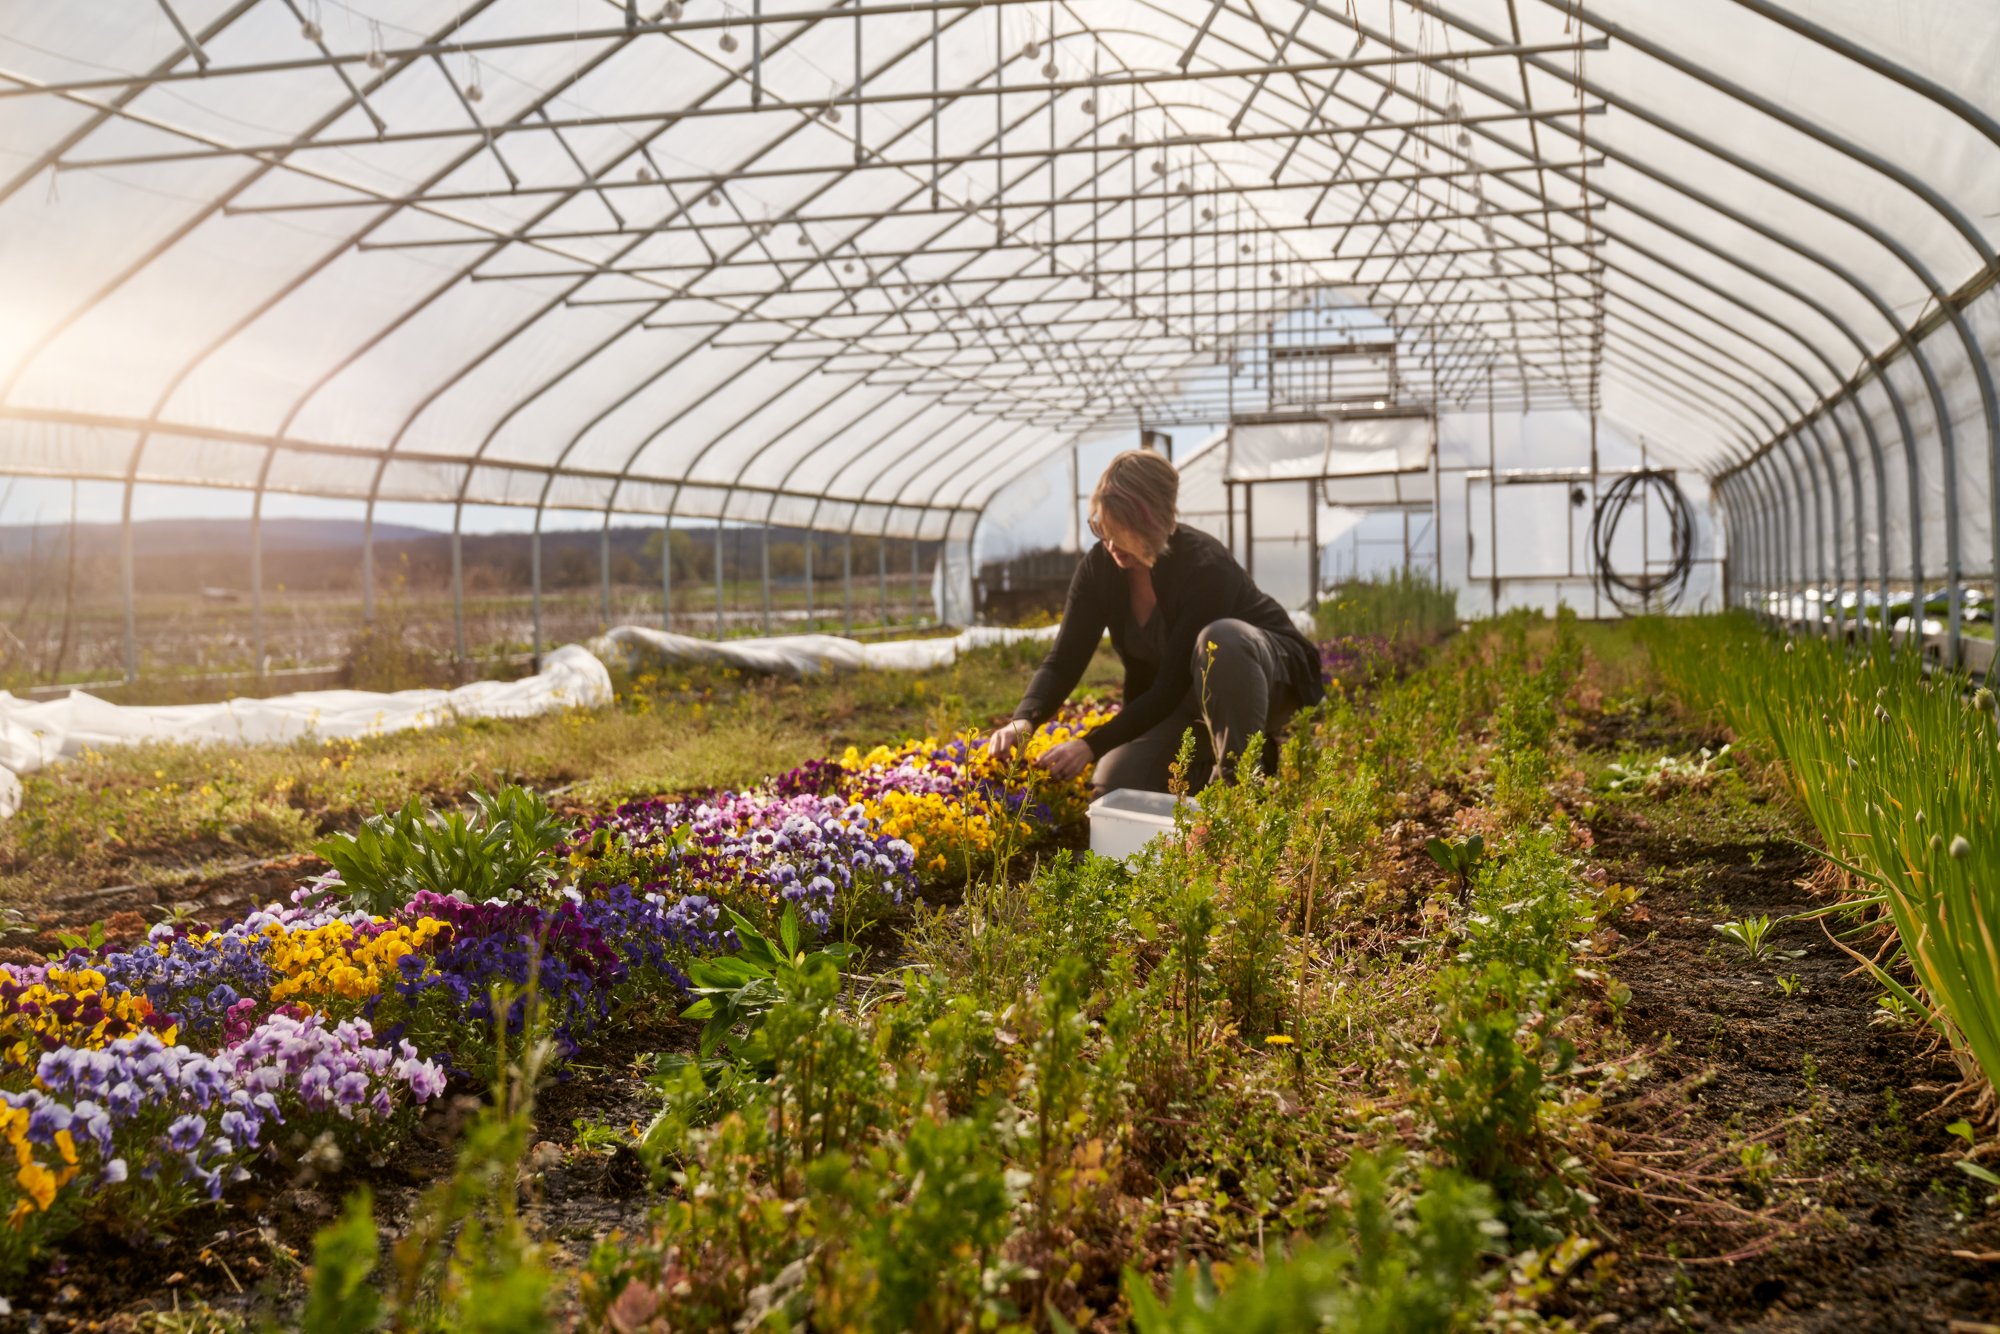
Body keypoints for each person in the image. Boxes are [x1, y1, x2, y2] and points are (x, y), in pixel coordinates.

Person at [985, 448, 1323, 793]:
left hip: (1265, 678)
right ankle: (1214, 763)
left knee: (1221, 640)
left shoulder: (1204, 566)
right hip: (1189, 697)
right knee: (1118, 783)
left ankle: (1240, 789)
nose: (1111, 543)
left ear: (1155, 520)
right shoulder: (1101, 569)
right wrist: (1024, 720)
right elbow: (1064, 661)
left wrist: (1090, 744)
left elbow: (1169, 686)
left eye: (1123, 529)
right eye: (1102, 527)